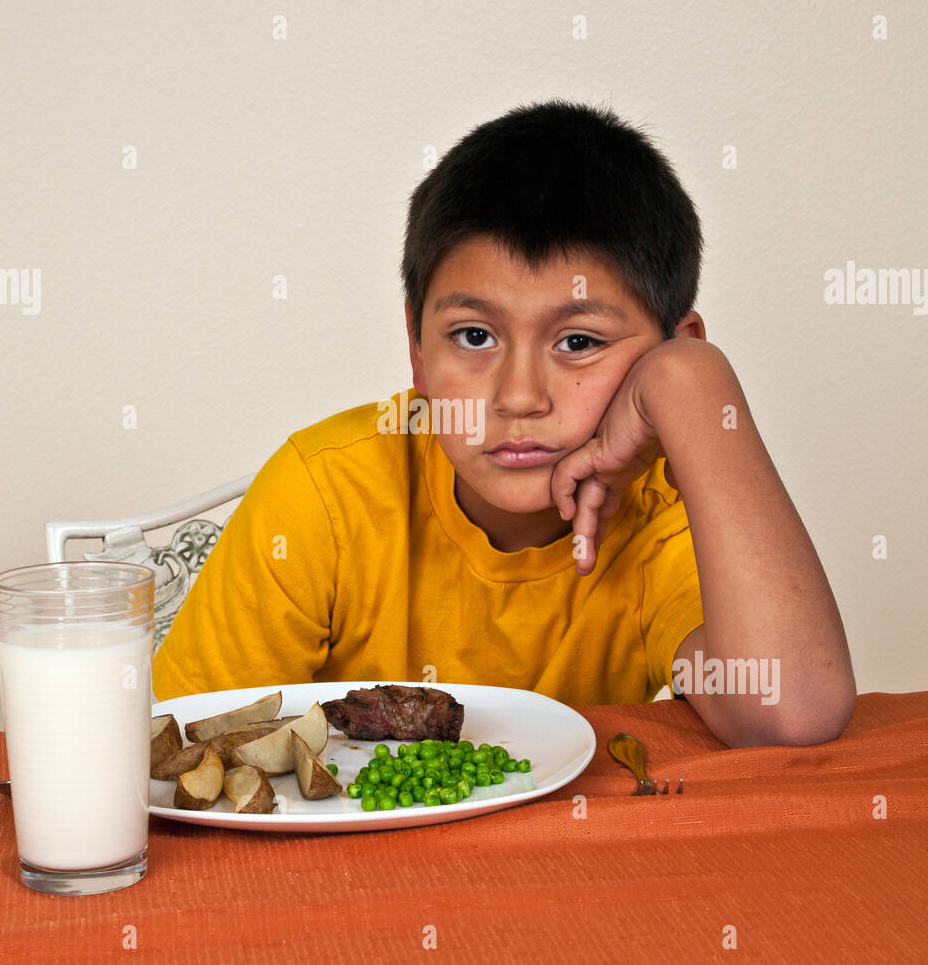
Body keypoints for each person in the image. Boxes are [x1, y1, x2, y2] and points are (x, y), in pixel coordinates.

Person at [153, 99, 856, 748]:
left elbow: (791, 714)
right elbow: (183, 745)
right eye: (474, 337)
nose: (519, 398)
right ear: (417, 354)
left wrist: (695, 385)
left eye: (578, 342)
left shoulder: (663, 515)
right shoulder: (324, 494)